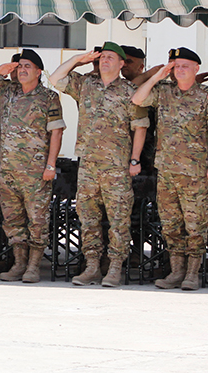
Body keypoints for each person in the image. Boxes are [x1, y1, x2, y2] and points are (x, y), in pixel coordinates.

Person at [50, 42, 149, 287]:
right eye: (102, 57)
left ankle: (115, 267)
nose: (104, 61)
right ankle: (93, 265)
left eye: (110, 58)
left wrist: (135, 159)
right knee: (88, 217)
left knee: (118, 219)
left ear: (122, 63)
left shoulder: (129, 91)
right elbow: (55, 78)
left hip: (116, 166)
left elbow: (140, 127)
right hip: (89, 165)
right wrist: (79, 59)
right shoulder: (86, 85)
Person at [132, 48, 208, 291]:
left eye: (185, 65)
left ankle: (192, 274)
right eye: (176, 66)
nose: (180, 69)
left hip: (195, 172)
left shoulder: (207, 96)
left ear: (196, 69)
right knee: (171, 224)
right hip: (167, 171)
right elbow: (137, 99)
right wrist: (156, 76)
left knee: (195, 225)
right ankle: (176, 271)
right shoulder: (164, 92)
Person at [0, 50, 65, 283]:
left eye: (27, 66)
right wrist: (0, 71)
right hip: (8, 168)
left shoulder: (48, 97)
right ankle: (19, 263)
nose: (22, 70)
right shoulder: (5, 91)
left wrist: (51, 165)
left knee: (37, 220)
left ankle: (33, 266)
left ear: (38, 72)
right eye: (19, 66)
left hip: (35, 171)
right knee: (12, 220)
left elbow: (56, 131)